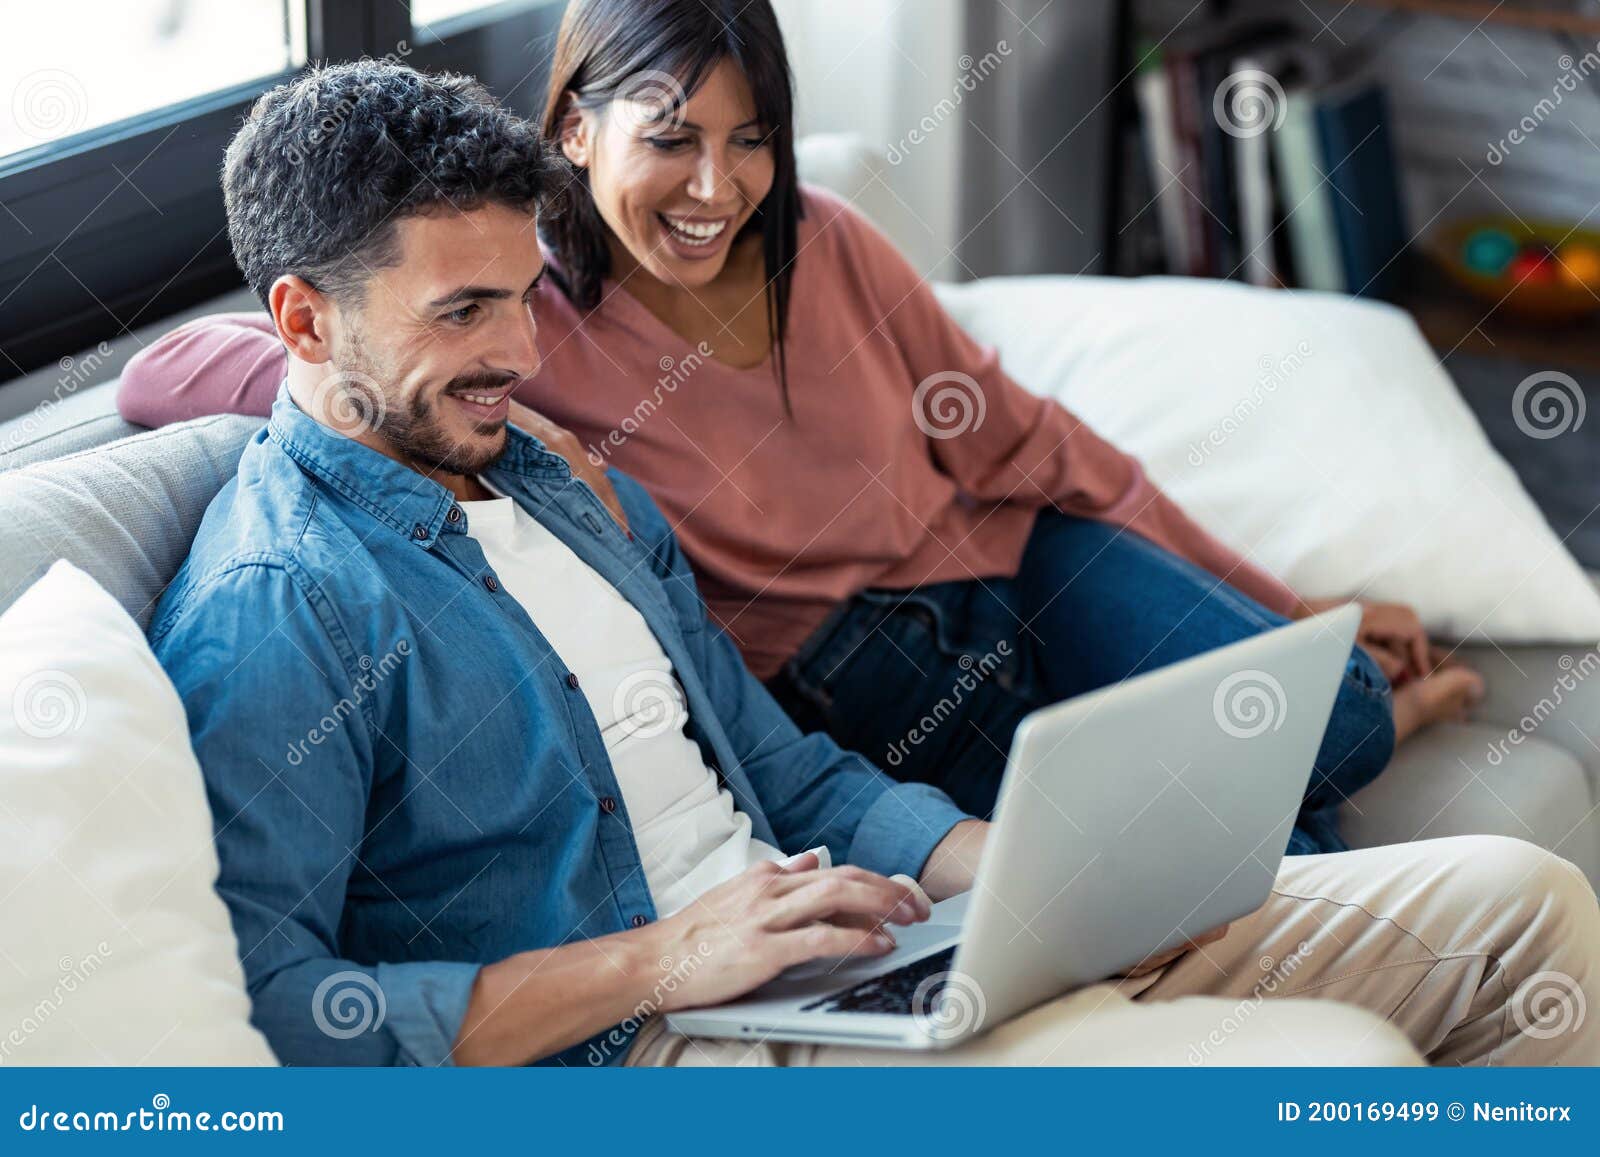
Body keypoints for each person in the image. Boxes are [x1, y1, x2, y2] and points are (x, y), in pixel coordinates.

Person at [150, 60, 1598, 1069]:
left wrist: (1036, 878)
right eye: (465, 313)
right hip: (679, 1045)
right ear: (302, 319)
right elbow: (284, 1011)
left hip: (861, 955)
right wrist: (661, 961)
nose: (522, 356)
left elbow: (799, 781)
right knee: (1335, 1066)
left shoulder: (565, 481)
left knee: (1528, 901)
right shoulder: (285, 606)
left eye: (526, 300)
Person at [122, 0, 1482, 853]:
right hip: (860, 672)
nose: (718, 185)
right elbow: (178, 369)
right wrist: (509, 417)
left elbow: (1031, 441)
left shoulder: (824, 244)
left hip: (1020, 561)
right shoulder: (512, 313)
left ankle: (1343, 725)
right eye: (672, 136)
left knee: (1338, 712)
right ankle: (1269, 835)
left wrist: (1287, 595)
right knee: (1242, 845)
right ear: (576, 129)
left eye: (753, 136)